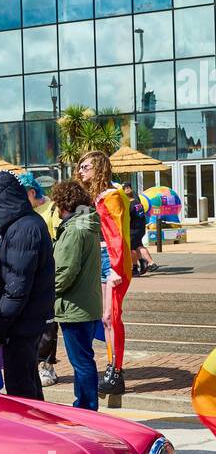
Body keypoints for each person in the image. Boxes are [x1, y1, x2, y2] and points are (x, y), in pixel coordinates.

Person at [0, 171, 55, 401]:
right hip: (25, 320)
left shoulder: (23, 229)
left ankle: (32, 432)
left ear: (1, 200)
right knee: (28, 381)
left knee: (20, 386)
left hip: (21, 322)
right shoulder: (20, 224)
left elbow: (16, 286)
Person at [77, 152, 132, 397]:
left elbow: (118, 235)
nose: (81, 171)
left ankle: (115, 372)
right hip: (100, 259)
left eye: (86, 167)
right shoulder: (96, 197)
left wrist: (116, 269)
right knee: (105, 318)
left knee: (111, 317)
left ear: (98, 168)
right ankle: (112, 369)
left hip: (111, 260)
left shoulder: (112, 196)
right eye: (80, 167)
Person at [51, 180, 103, 411]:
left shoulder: (74, 229)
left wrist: (48, 292)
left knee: (81, 362)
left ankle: (86, 408)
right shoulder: (86, 223)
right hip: (87, 303)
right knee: (84, 360)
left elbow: (65, 270)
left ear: (63, 204)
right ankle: (86, 406)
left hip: (74, 307)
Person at [18, 173, 61, 387]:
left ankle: (46, 365)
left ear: (32, 193)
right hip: (28, 274)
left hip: (46, 273)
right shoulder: (22, 212)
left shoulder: (52, 210)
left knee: (48, 324)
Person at [124, 184, 155, 275]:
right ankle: (144, 262)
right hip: (140, 228)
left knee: (133, 248)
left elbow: (127, 218)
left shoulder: (130, 205)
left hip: (133, 229)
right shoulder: (138, 202)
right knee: (138, 246)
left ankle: (144, 264)